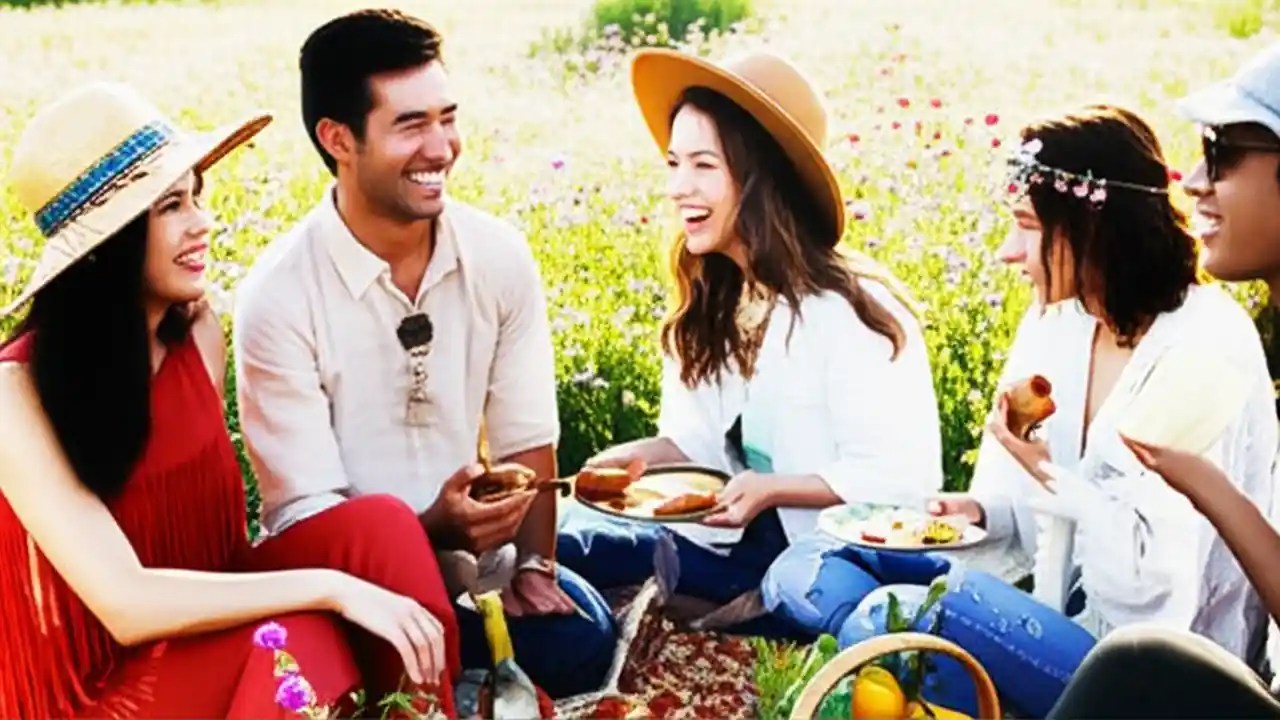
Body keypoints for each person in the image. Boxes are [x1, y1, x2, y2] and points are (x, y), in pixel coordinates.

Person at [0, 82, 460, 719]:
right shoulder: (13, 394)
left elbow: (219, 556)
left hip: (202, 634)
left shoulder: (198, 333)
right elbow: (126, 604)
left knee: (379, 527)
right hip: (105, 691)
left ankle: (423, 714)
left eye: (196, 197)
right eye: (170, 208)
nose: (202, 223)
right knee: (292, 640)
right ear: (106, 243)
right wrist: (332, 590)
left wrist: (353, 581)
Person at [232, 8, 616, 701]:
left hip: (480, 571)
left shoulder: (497, 256)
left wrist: (533, 566)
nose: (441, 147)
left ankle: (463, 654)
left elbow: (527, 436)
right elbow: (306, 519)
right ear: (337, 139)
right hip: (349, 592)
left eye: (447, 117)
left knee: (579, 639)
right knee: (368, 658)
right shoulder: (279, 295)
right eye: (411, 125)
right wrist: (431, 531)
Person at [556, 47, 946, 633]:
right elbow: (696, 446)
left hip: (822, 558)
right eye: (673, 164)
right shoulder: (713, 300)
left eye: (703, 166)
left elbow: (901, 479)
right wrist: (634, 462)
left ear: (762, 179)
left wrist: (772, 490)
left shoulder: (853, 312)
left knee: (805, 586)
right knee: (565, 536)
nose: (678, 188)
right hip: (725, 548)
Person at [1048, 42, 1280, 720]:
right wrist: (1199, 480)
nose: (1197, 183)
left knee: (1139, 664)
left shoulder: (1212, 335)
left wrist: (1205, 487)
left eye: (1224, 153)